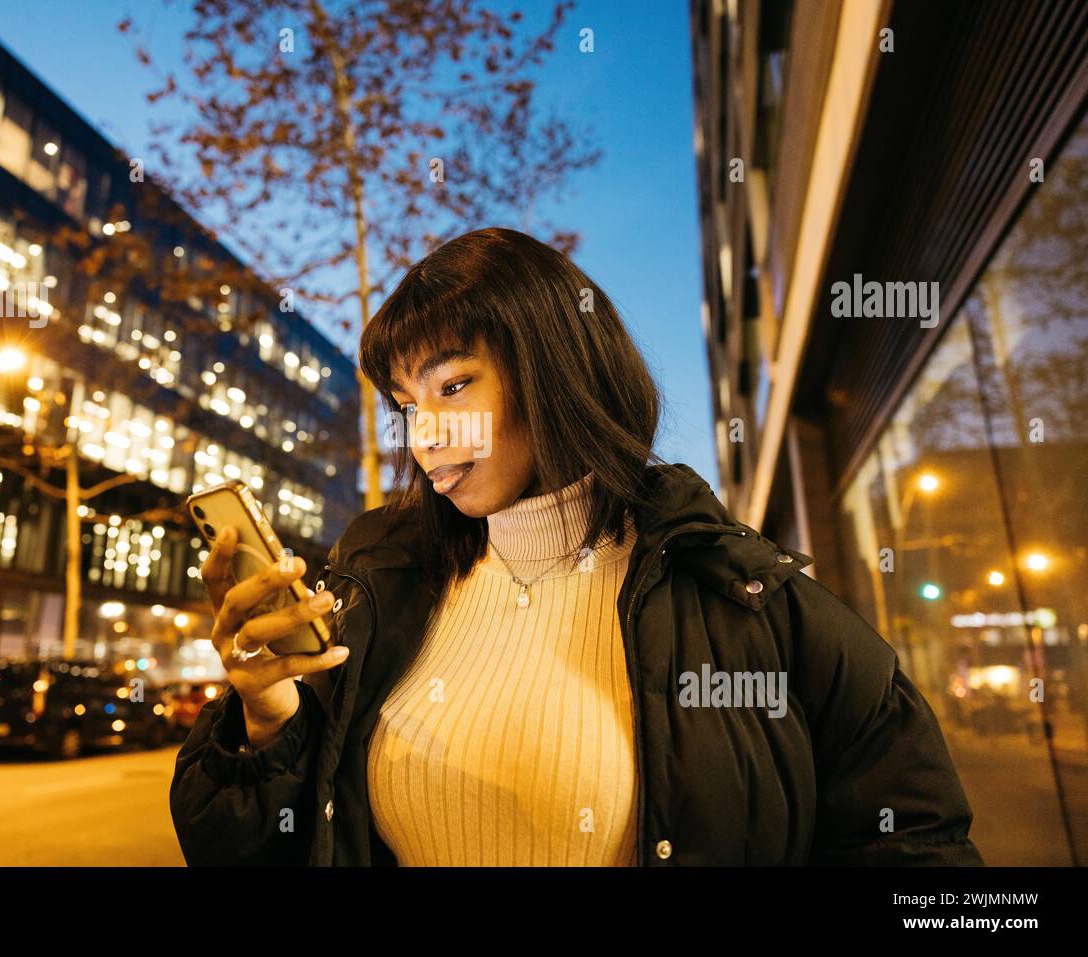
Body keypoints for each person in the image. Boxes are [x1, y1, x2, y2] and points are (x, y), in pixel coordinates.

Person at [169, 226, 984, 867]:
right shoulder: (379, 584)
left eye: (454, 384)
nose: (426, 436)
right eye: (406, 404)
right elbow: (256, 848)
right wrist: (265, 720)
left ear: (555, 368)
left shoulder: (750, 598)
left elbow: (918, 848)